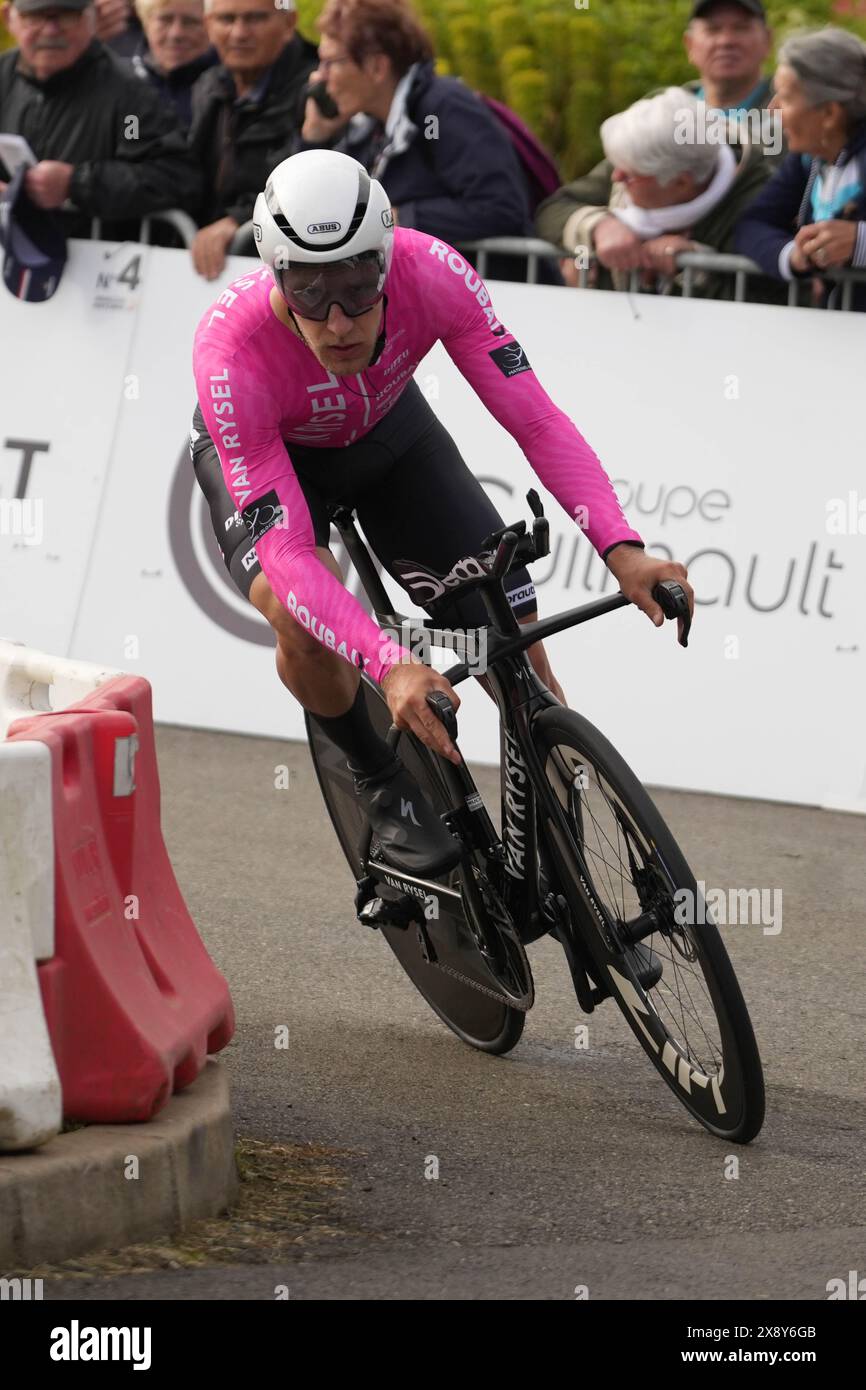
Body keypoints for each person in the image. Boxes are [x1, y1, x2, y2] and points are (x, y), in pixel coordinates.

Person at [191, 150, 693, 876]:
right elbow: (290, 551)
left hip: (392, 433)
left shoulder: (434, 271)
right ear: (275, 275)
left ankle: (559, 805)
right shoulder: (230, 351)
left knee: (510, 642)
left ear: (387, 261)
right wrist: (388, 664)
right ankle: (378, 782)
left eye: (360, 287)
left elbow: (537, 422)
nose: (337, 321)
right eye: (309, 292)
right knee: (294, 611)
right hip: (281, 456)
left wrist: (623, 548)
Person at [296, 0, 533, 256]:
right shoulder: (368, 126)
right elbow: (311, 210)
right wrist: (315, 137)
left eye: (332, 62)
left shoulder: (445, 108)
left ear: (377, 67)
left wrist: (392, 219)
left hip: (490, 289)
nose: (319, 77)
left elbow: (501, 208)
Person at [536, 87, 774, 299]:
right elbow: (552, 209)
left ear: (681, 182)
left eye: (628, 176)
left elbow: (771, 297)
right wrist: (599, 225)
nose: (615, 178)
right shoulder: (634, 159)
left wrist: (692, 266)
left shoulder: (758, 200)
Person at [0, 0, 201, 236]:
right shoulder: (3, 76)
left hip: (96, 262)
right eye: (35, 17)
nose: (50, 30)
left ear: (93, 17)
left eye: (66, 16)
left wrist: (75, 184)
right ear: (8, 18)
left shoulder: (130, 100)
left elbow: (169, 176)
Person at [735, 27, 866, 311]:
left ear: (829, 114)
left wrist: (860, 242)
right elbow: (752, 224)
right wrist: (796, 256)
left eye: (785, 97)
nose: (772, 109)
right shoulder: (811, 158)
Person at [186, 0, 316, 280]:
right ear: (208, 25)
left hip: (294, 274)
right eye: (226, 19)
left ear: (289, 23)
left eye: (255, 19)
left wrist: (239, 219)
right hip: (210, 272)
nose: (239, 33)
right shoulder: (206, 87)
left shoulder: (316, 88)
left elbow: (309, 180)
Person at [129, 0, 216, 128]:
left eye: (190, 22)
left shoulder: (231, 87)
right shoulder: (124, 84)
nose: (176, 34)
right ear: (146, 23)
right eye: (165, 20)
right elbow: (128, 140)